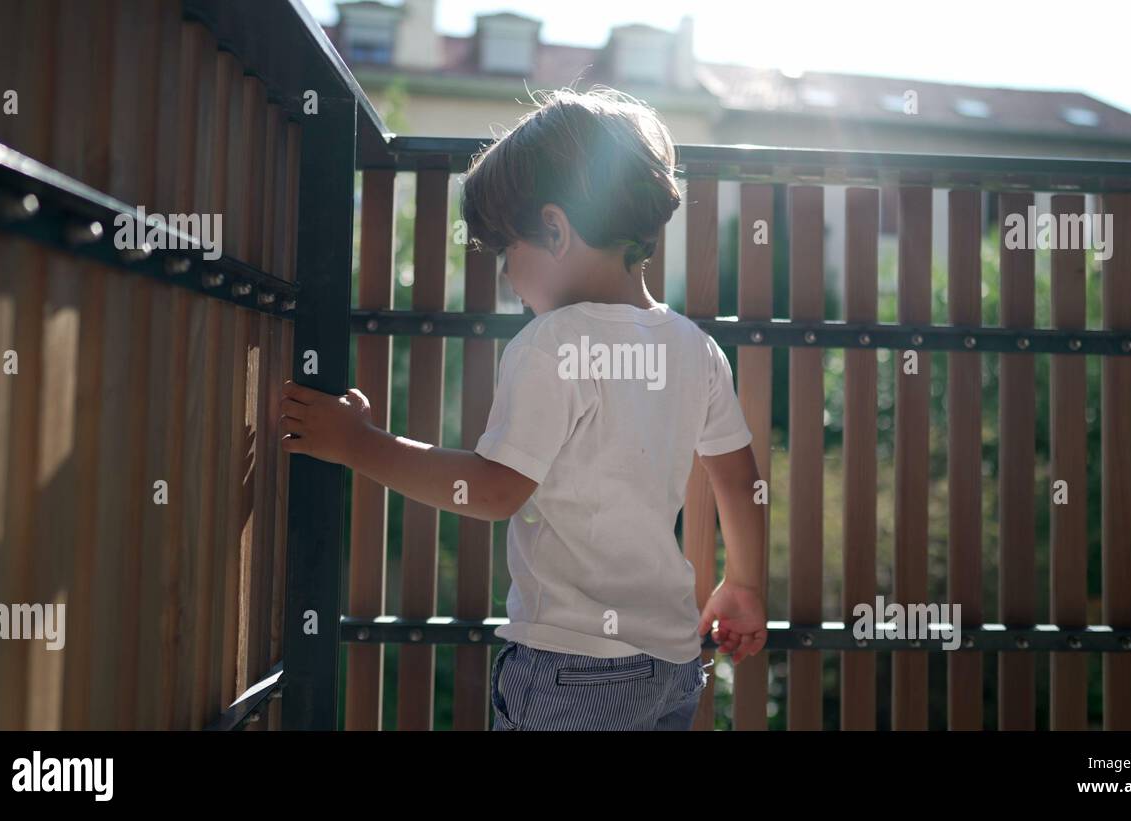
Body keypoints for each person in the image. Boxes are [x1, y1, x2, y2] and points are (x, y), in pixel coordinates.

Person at [279, 86, 767, 730]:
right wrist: (744, 584)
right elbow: (740, 478)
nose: (506, 276)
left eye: (507, 252)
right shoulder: (694, 346)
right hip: (672, 663)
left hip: (576, 669)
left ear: (556, 230)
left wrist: (357, 443)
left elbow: (493, 490)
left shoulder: (552, 342)